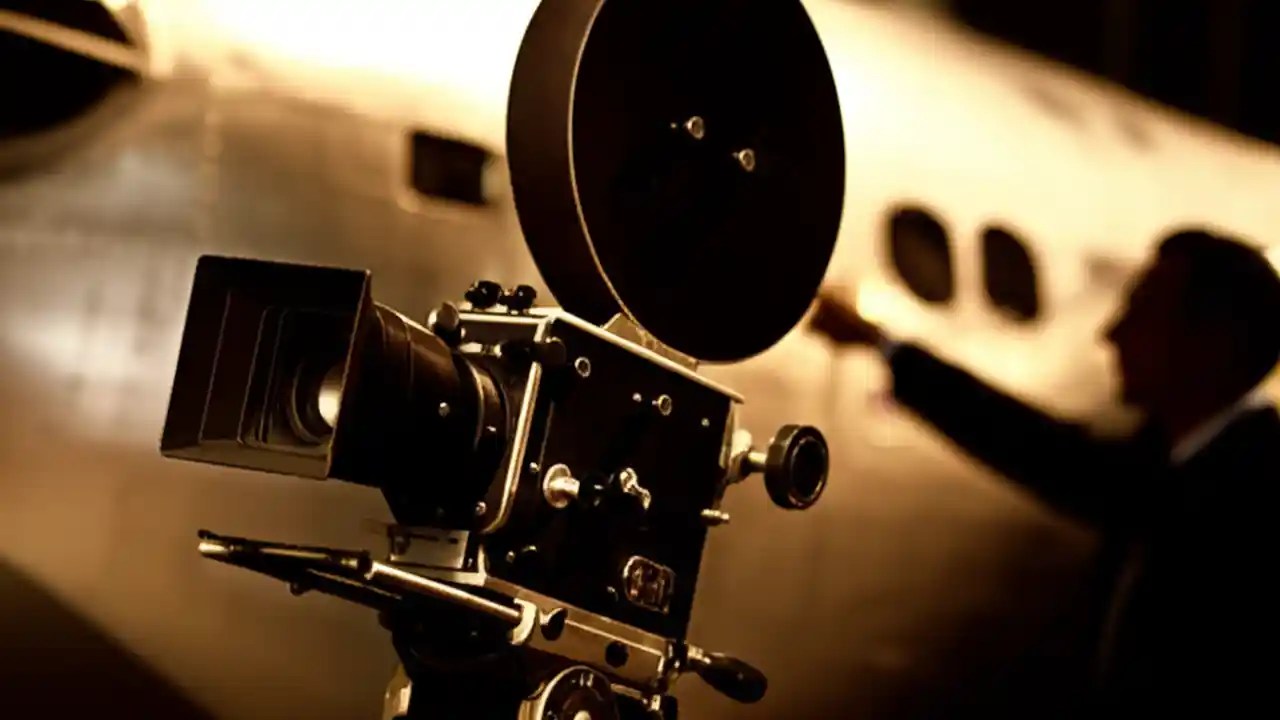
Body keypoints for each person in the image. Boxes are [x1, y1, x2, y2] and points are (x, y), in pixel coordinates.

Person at [809, 229, 1280, 716]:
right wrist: (883, 346)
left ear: (1210, 343)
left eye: (1142, 308)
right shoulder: (1173, 466)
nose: (1112, 333)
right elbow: (1039, 447)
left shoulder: (1253, 500)